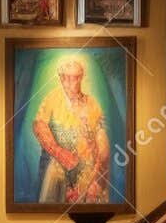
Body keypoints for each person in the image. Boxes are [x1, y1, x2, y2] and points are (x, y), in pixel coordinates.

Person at [31, 54, 111, 204]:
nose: (69, 82)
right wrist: (61, 154)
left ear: (81, 78)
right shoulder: (52, 98)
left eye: (74, 78)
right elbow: (39, 126)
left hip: (87, 169)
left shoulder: (92, 103)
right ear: (60, 78)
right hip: (57, 166)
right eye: (65, 77)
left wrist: (98, 178)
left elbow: (102, 141)